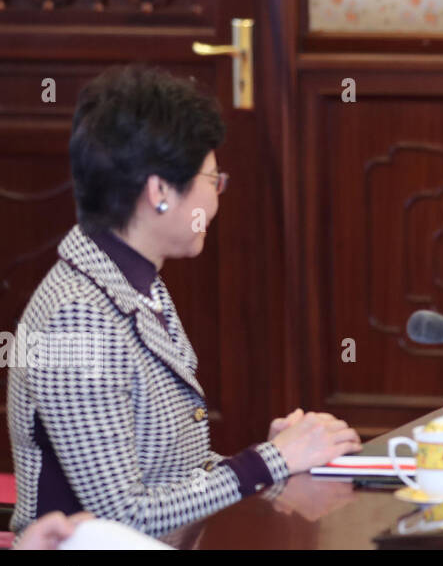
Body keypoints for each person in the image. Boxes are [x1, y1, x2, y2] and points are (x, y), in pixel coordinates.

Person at [7, 65, 361, 538]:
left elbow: (168, 472)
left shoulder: (132, 281)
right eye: (212, 179)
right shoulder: (76, 318)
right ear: (159, 192)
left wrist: (273, 457)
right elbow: (125, 517)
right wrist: (269, 461)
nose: (216, 199)